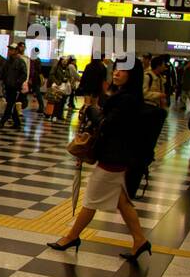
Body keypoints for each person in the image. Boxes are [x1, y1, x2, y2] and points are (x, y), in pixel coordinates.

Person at [50, 63, 152, 261]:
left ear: (132, 75)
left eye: (122, 70)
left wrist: (94, 112)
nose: (116, 72)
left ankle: (71, 237)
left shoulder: (127, 100)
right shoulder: (126, 97)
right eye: (116, 69)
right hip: (118, 157)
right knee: (122, 202)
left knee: (91, 199)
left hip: (114, 158)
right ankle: (139, 240)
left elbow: (109, 124)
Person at [0, 45, 27, 129]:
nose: (9, 51)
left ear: (16, 51)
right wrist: (0, 79)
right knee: (11, 104)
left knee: (10, 104)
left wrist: (18, 82)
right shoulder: (8, 61)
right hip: (8, 86)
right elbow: (2, 72)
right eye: (9, 49)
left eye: (11, 49)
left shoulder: (20, 62)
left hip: (15, 87)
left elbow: (24, 74)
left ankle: (2, 121)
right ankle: (17, 123)